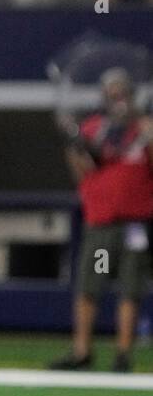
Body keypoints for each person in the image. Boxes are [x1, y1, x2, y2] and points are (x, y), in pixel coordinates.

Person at [51, 68, 153, 372]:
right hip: (100, 220)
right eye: (112, 93)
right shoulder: (94, 128)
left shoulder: (143, 127)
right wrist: (73, 144)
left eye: (122, 93)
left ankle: (123, 354)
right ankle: (82, 350)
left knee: (130, 288)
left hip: (135, 221)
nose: (117, 99)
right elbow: (81, 173)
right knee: (88, 286)